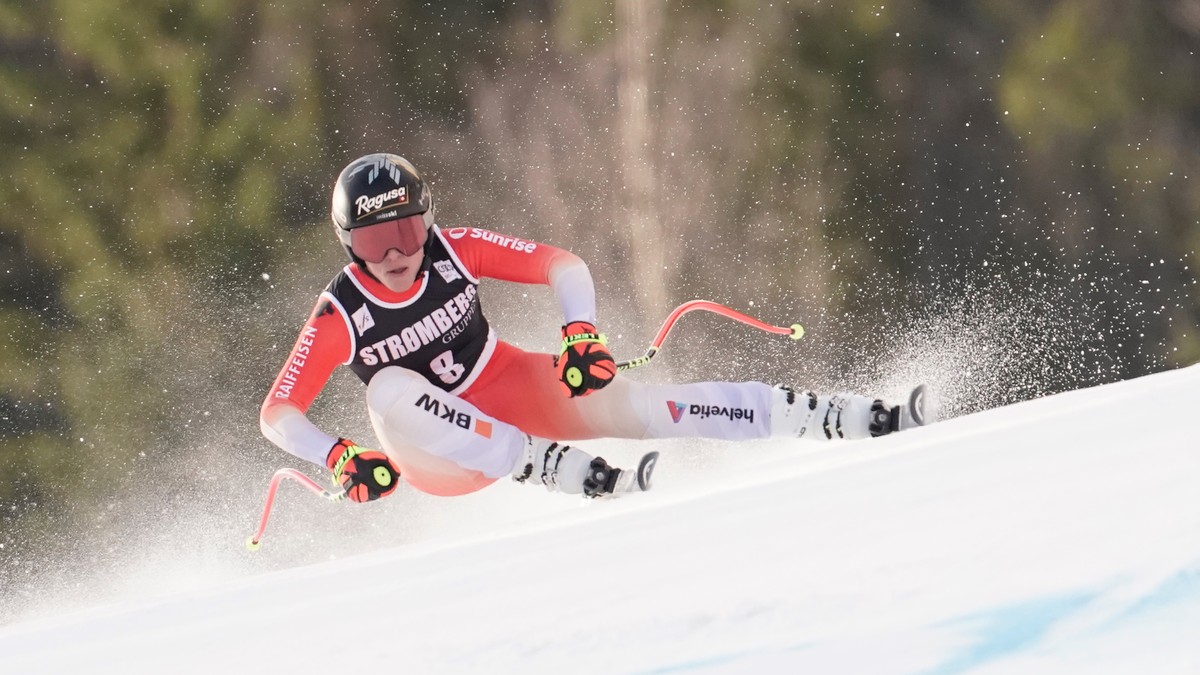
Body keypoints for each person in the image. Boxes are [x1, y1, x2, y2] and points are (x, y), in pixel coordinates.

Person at [260, 153, 904, 502]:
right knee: (386, 388)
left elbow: (562, 266)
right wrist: (337, 454)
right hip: (437, 454)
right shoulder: (342, 311)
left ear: (427, 223)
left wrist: (581, 335)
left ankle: (832, 415)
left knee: (646, 409)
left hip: (505, 386)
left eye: (404, 233)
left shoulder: (455, 249)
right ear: (349, 247)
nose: (396, 254)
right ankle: (552, 469)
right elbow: (278, 413)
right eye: (375, 242)